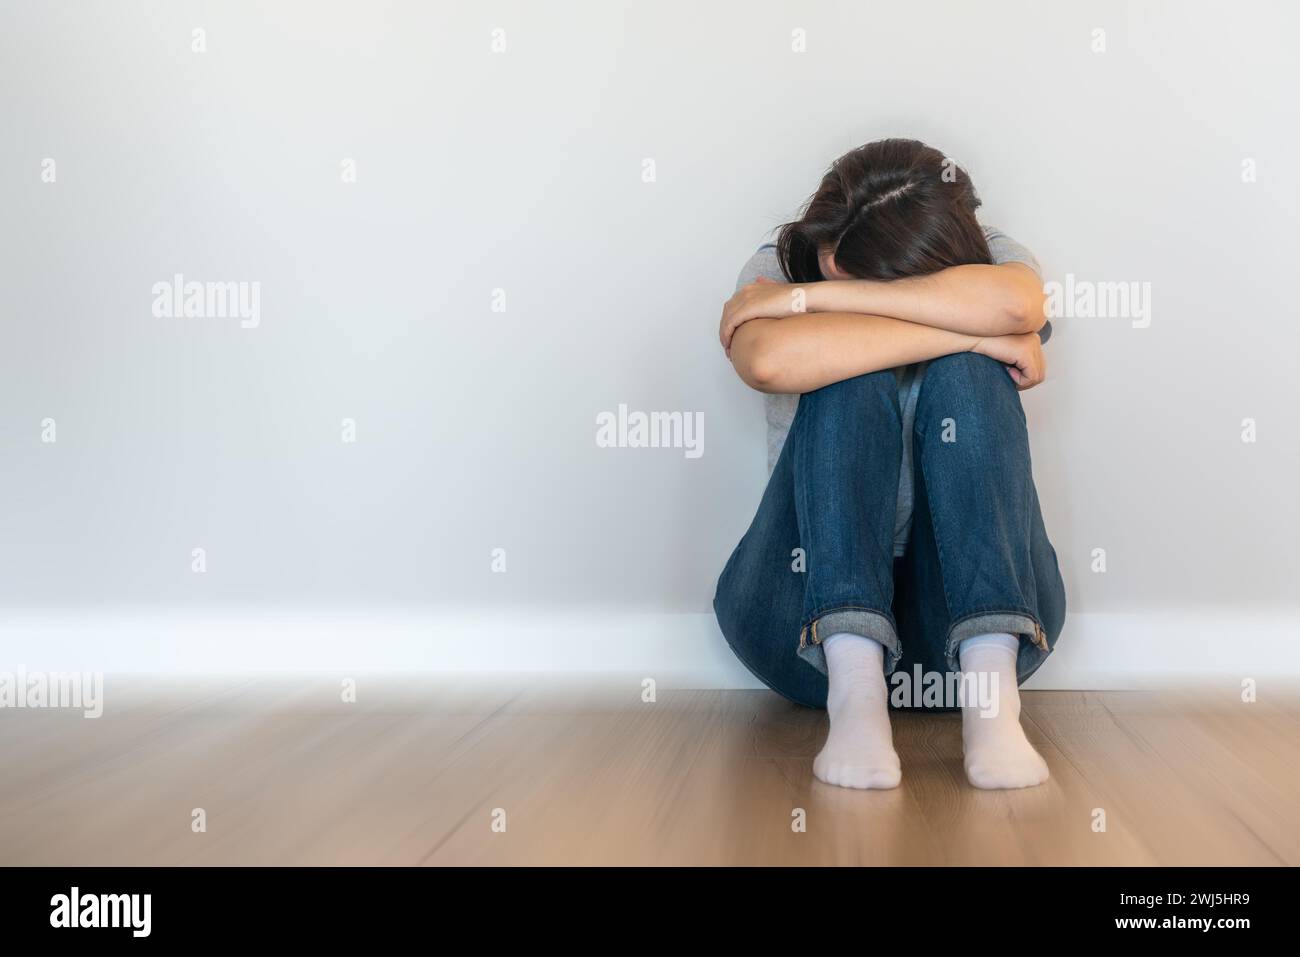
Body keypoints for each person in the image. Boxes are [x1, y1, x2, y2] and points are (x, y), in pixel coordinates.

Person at [713, 138, 1066, 790]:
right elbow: (766, 361)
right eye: (827, 274)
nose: (824, 277)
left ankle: (992, 701)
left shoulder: (993, 257)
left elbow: (1020, 306)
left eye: (864, 279)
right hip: (799, 625)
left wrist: (812, 306)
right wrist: (979, 333)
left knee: (967, 375)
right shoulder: (779, 266)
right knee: (851, 376)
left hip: (956, 625)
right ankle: (855, 698)